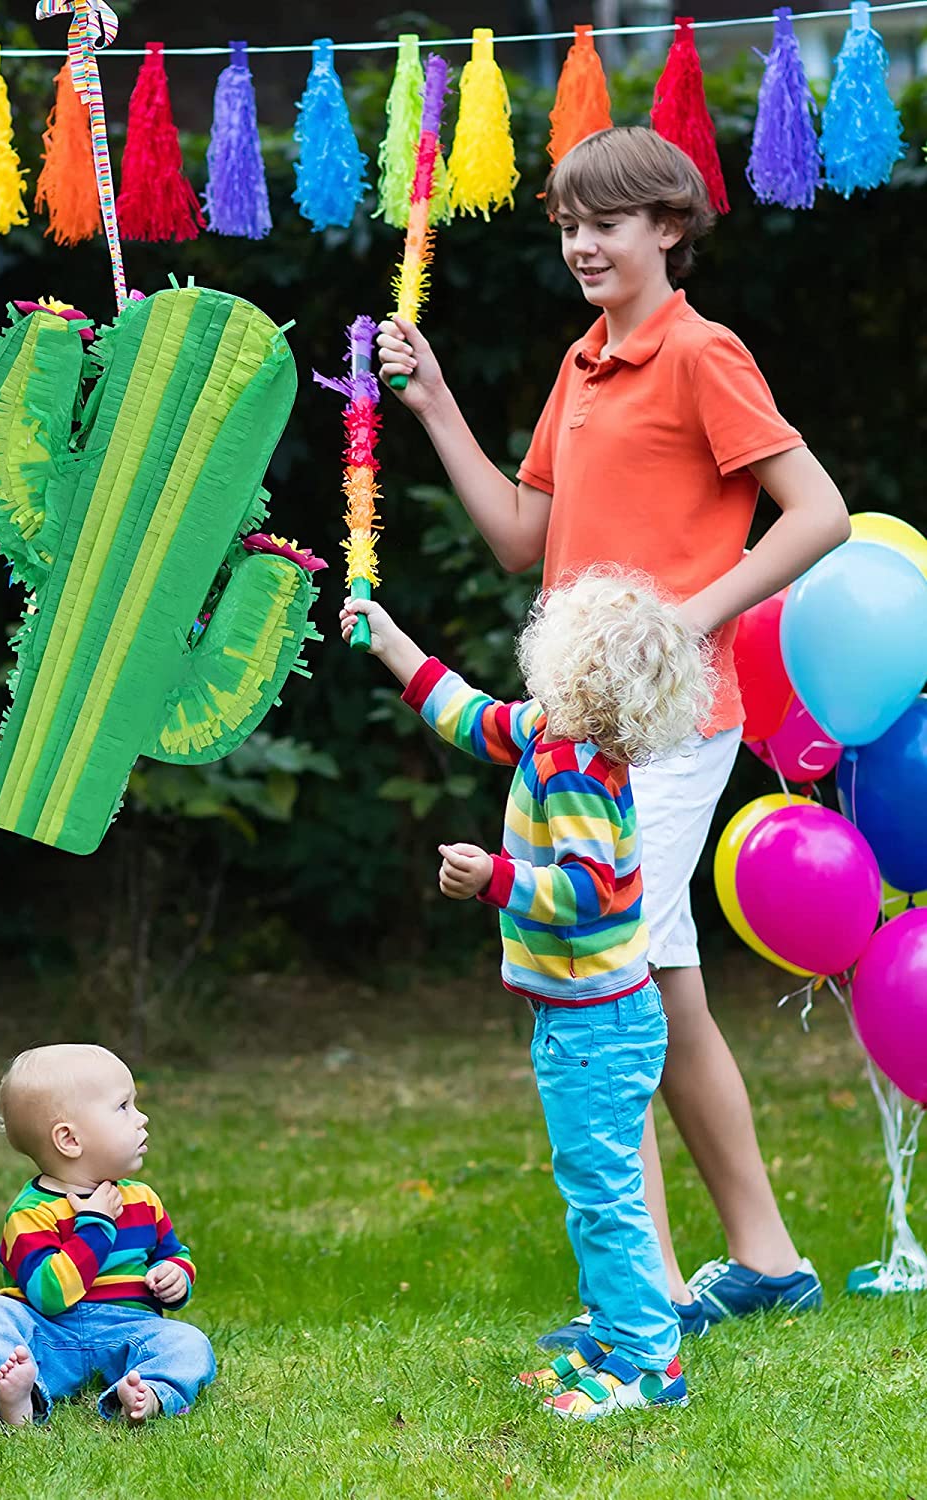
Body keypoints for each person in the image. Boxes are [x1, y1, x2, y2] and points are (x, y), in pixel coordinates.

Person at [376, 126, 849, 1346]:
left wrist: (681, 624)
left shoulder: (702, 352)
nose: (584, 242)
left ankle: (639, 1296)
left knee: (597, 976)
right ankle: (766, 1260)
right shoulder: (583, 363)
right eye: (570, 224)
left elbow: (820, 514)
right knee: (667, 984)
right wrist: (432, 404)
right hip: (579, 725)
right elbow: (521, 538)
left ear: (671, 230)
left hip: (668, 720)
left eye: (610, 221)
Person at [344, 571, 712, 1417]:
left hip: (600, 1023)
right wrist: (392, 639)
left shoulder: (581, 767)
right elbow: (471, 718)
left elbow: (590, 891)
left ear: (571, 665)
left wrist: (494, 879)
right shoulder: (553, 736)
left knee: (604, 1191)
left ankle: (650, 1362)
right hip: (585, 1018)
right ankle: (614, 1338)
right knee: (589, 1185)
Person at [0, 1043, 214, 1426]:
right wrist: (95, 1226)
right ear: (70, 1140)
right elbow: (48, 1295)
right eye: (123, 1107)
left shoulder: (142, 1199)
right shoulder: (30, 1214)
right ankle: (13, 1395)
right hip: (48, 1338)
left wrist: (176, 1275)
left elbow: (172, 1253)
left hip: (130, 1333)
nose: (141, 1119)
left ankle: (147, 1393)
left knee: (190, 1342)